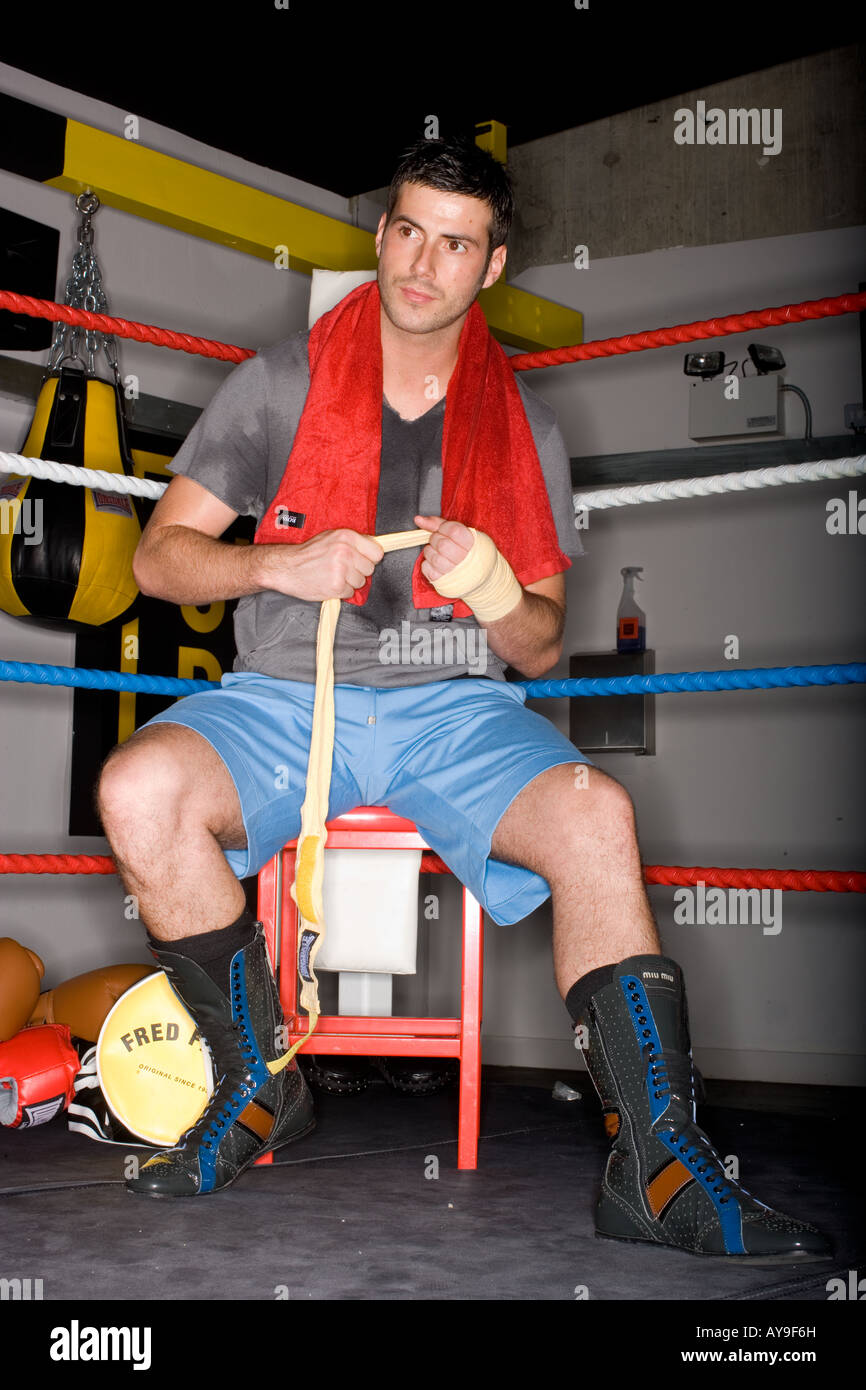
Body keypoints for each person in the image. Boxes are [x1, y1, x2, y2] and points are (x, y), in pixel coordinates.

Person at [96, 136, 830, 1263]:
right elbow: (156, 559)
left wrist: (495, 590)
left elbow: (538, 648)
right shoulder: (276, 382)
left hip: (453, 707)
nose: (419, 264)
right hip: (289, 692)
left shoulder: (524, 429)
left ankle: (659, 1166)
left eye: (453, 244)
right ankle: (256, 1088)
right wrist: (269, 566)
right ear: (382, 232)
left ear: (491, 266)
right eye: (404, 231)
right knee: (137, 787)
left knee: (595, 814)